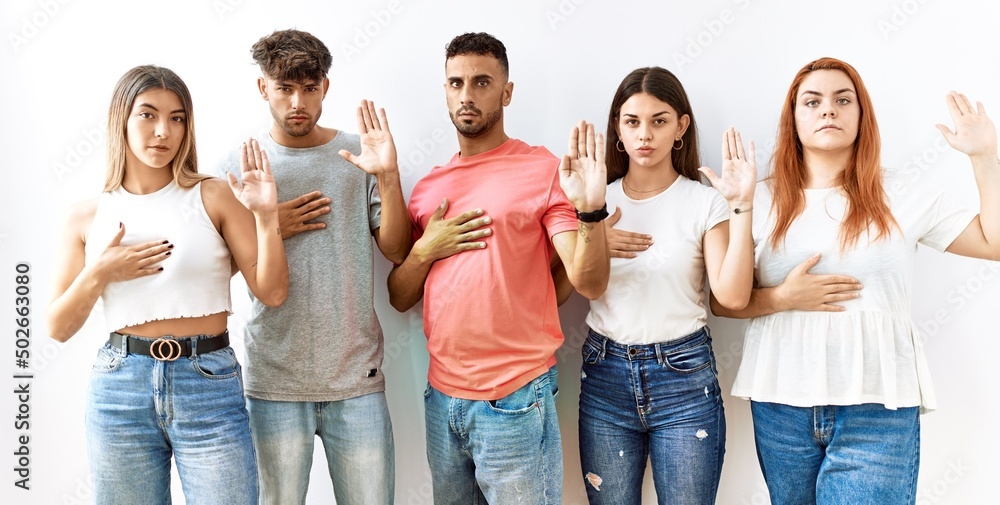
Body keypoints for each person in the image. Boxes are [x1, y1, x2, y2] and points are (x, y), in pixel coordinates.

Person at [712, 57, 999, 504]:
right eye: (813, 101)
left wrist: (985, 157)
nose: (828, 110)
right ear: (794, 119)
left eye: (842, 100)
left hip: (878, 406)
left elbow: (992, 242)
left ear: (862, 115)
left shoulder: (901, 193)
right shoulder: (757, 195)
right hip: (781, 403)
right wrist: (783, 297)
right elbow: (726, 301)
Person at [46, 64, 288, 504]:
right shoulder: (84, 217)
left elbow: (271, 293)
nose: (163, 131)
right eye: (148, 115)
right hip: (120, 387)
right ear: (121, 119)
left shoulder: (213, 196)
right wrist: (101, 271)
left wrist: (267, 217)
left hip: (207, 380)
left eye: (177, 118)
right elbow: (57, 327)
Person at [387, 32, 610, 504]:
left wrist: (591, 211)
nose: (466, 95)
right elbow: (400, 296)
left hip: (514, 396)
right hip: (441, 396)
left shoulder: (544, 169)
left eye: (482, 82)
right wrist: (425, 250)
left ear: (507, 93)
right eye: (455, 83)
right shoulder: (429, 188)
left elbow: (587, 280)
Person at [218, 29, 410, 505]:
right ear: (264, 88)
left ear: (326, 85)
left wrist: (387, 175)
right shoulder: (240, 166)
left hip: (356, 379)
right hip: (273, 380)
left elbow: (398, 248)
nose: (297, 101)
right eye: (284, 88)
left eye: (309, 86)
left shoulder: (356, 154)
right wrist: (267, 224)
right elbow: (216, 268)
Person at [577, 66, 756, 505]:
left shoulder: (703, 201)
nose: (645, 135)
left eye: (659, 121)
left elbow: (732, 297)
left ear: (681, 127)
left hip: (684, 377)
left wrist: (741, 205)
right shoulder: (596, 200)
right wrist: (592, 225)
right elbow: (581, 286)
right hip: (605, 374)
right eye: (632, 121)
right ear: (617, 129)